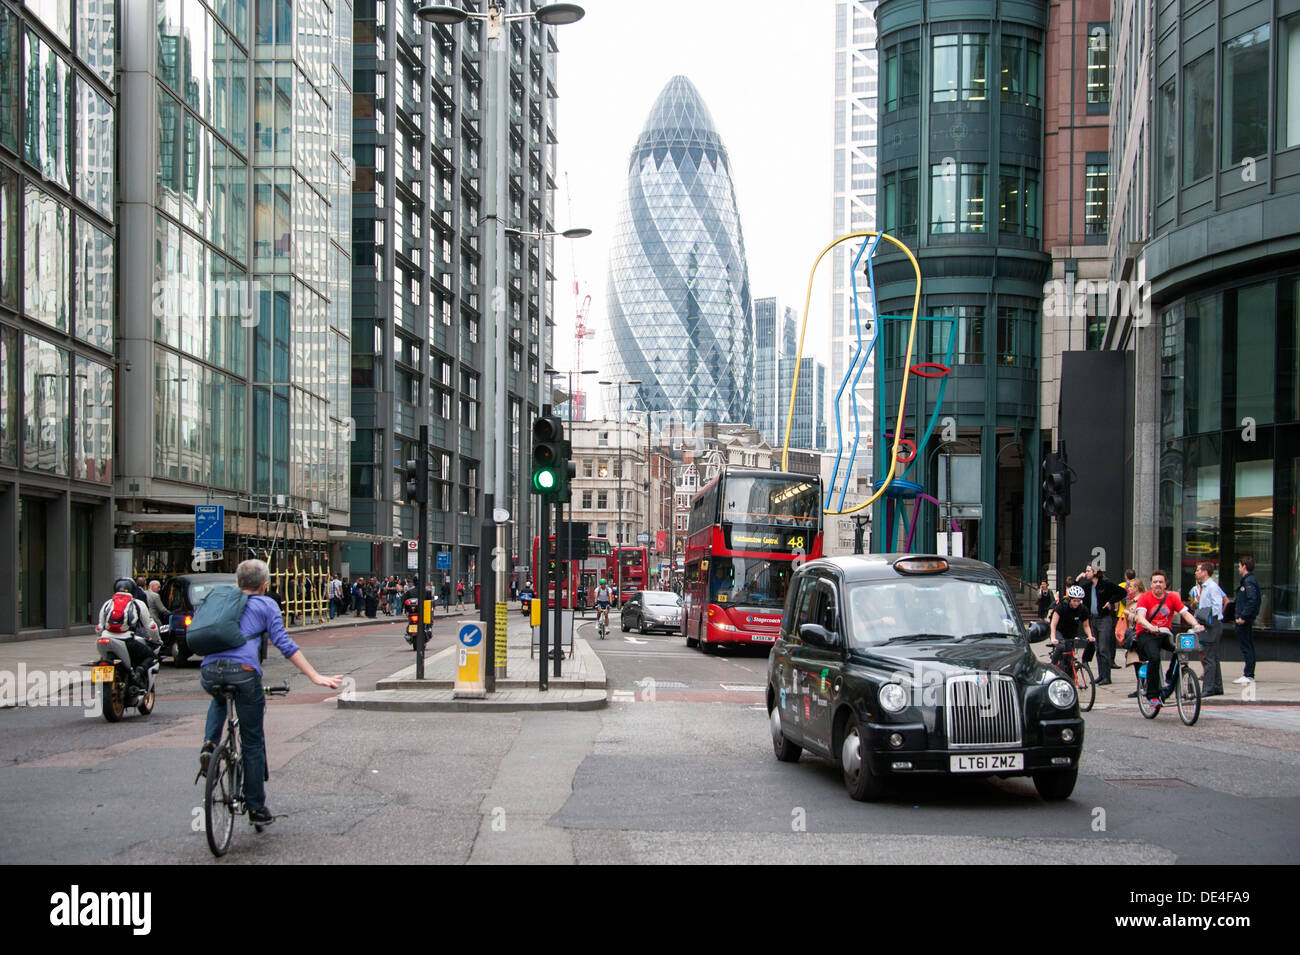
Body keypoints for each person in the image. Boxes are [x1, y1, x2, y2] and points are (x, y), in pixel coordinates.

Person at [197, 559, 341, 826]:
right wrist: (314, 676)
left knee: (219, 698)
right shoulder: (266, 604)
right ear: (265, 585)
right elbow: (284, 644)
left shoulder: (220, 600)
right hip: (243, 672)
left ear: (238, 582)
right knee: (252, 741)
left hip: (209, 670)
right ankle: (256, 807)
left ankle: (209, 744)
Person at [1133, 569, 1204, 709]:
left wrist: (1196, 624)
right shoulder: (1145, 597)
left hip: (1165, 634)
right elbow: (1141, 616)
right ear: (1151, 584)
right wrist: (1150, 625)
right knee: (1154, 658)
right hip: (1147, 634)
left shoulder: (1172, 598)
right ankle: (1153, 695)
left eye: (1161, 582)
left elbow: (1185, 613)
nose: (1158, 584)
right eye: (1155, 582)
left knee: (1181, 651)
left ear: (1166, 584)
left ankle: (1170, 681)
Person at [97, 578, 162, 692]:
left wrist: (102, 635)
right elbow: (151, 626)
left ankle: (100, 684)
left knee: (102, 661)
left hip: (104, 640)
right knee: (150, 655)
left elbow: (99, 627)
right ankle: (137, 675)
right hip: (125, 640)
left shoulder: (107, 603)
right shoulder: (137, 604)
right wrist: (157, 640)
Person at [1079, 565, 1125, 685]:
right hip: (1093, 619)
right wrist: (1077, 579)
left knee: (1104, 647)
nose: (1086, 573)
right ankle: (1101, 674)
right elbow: (1075, 592)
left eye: (1088, 571)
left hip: (1104, 618)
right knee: (1098, 647)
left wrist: (1110, 601)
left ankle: (1107, 676)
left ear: (1095, 572)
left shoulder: (1105, 584)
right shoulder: (1088, 586)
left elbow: (1122, 592)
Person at [1191, 561, 1227, 697]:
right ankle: (1217, 686)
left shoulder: (1212, 587)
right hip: (1210, 624)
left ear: (1205, 572)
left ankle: (1209, 687)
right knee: (1213, 657)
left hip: (1211, 625)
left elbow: (1217, 607)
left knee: (1208, 657)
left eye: (1198, 570)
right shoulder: (1205, 587)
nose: (1196, 573)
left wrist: (1204, 616)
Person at [1046, 585, 1094, 675]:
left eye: (1078, 601)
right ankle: (1052, 665)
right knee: (1061, 646)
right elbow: (1053, 624)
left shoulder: (1083, 609)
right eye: (1074, 601)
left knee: (1069, 658)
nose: (1076, 603)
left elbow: (1086, 625)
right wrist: (1053, 638)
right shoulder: (1061, 607)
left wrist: (1090, 636)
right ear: (1069, 599)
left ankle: (1069, 677)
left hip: (1070, 633)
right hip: (1058, 630)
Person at [1233, 556, 1260, 685]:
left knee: (1247, 647)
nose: (1238, 568)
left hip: (1244, 620)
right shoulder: (1248, 581)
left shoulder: (1248, 582)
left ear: (1244, 566)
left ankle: (1248, 674)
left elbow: (1252, 601)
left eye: (1239, 566)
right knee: (1247, 646)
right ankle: (1248, 674)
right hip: (1244, 618)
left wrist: (1243, 617)